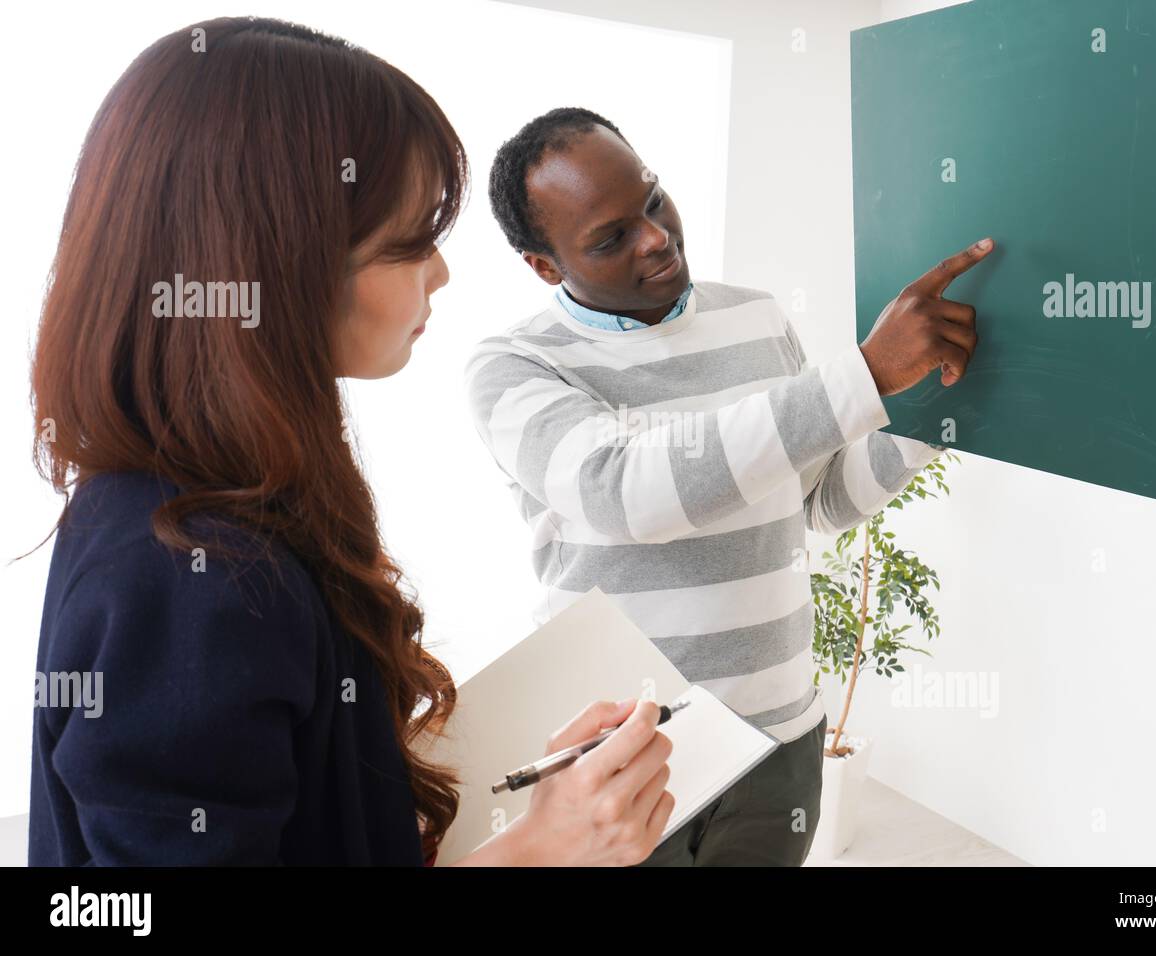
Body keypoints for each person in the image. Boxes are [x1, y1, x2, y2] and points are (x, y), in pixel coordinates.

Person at [27, 18, 672, 867]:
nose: (440, 272)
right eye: (409, 242)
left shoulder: (204, 505)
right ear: (274, 265)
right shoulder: (194, 574)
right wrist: (539, 853)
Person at [467, 107, 991, 865]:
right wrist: (865, 374)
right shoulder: (511, 365)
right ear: (544, 265)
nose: (654, 236)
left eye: (651, 199)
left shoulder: (756, 316)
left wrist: (932, 414)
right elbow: (625, 493)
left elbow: (819, 502)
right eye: (610, 238)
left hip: (779, 741)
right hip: (625, 760)